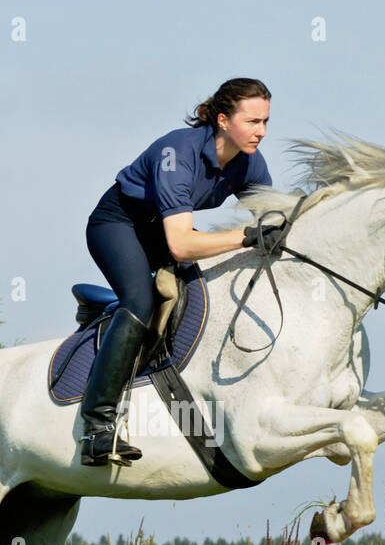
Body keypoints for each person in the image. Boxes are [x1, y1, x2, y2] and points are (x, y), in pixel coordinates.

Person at [80, 77, 284, 467]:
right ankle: (97, 429)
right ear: (223, 120)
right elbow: (181, 244)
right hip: (119, 224)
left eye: (266, 122)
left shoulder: (249, 161)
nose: (261, 131)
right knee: (140, 301)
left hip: (163, 231)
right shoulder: (178, 152)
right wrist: (245, 236)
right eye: (253, 121)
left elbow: (272, 218)